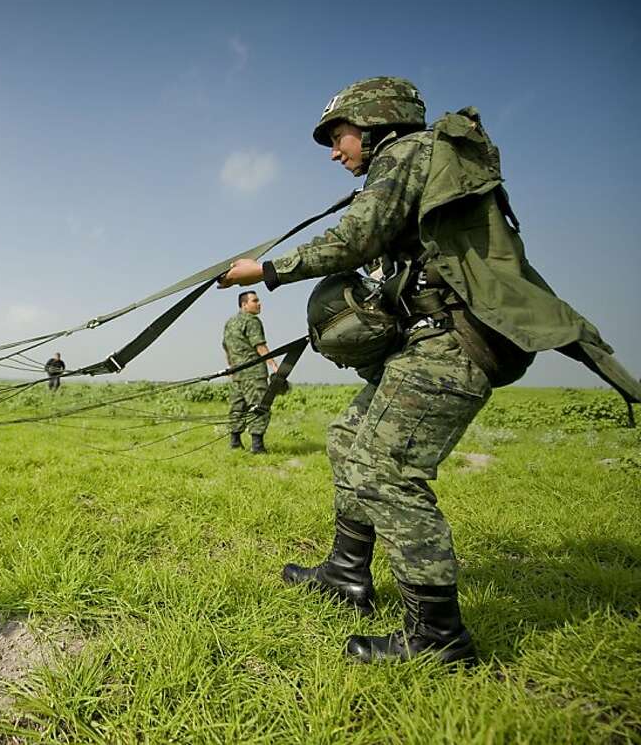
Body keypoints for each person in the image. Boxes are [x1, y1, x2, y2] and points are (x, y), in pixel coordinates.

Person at [217, 76, 639, 665]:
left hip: (457, 341)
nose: (335, 152)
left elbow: (353, 240)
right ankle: (346, 574)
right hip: (433, 340)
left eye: (337, 137)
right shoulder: (417, 160)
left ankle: (438, 638)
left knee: (386, 470)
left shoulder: (408, 154)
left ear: (373, 125)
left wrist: (265, 270)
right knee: (346, 440)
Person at [222, 291, 280, 453]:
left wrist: (231, 369)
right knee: (259, 407)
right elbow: (260, 346)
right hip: (254, 374)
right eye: (255, 301)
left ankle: (235, 443)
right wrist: (274, 366)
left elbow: (227, 348)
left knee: (237, 408)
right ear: (244, 304)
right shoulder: (252, 321)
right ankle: (257, 446)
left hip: (237, 374)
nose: (259, 303)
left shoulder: (230, 322)